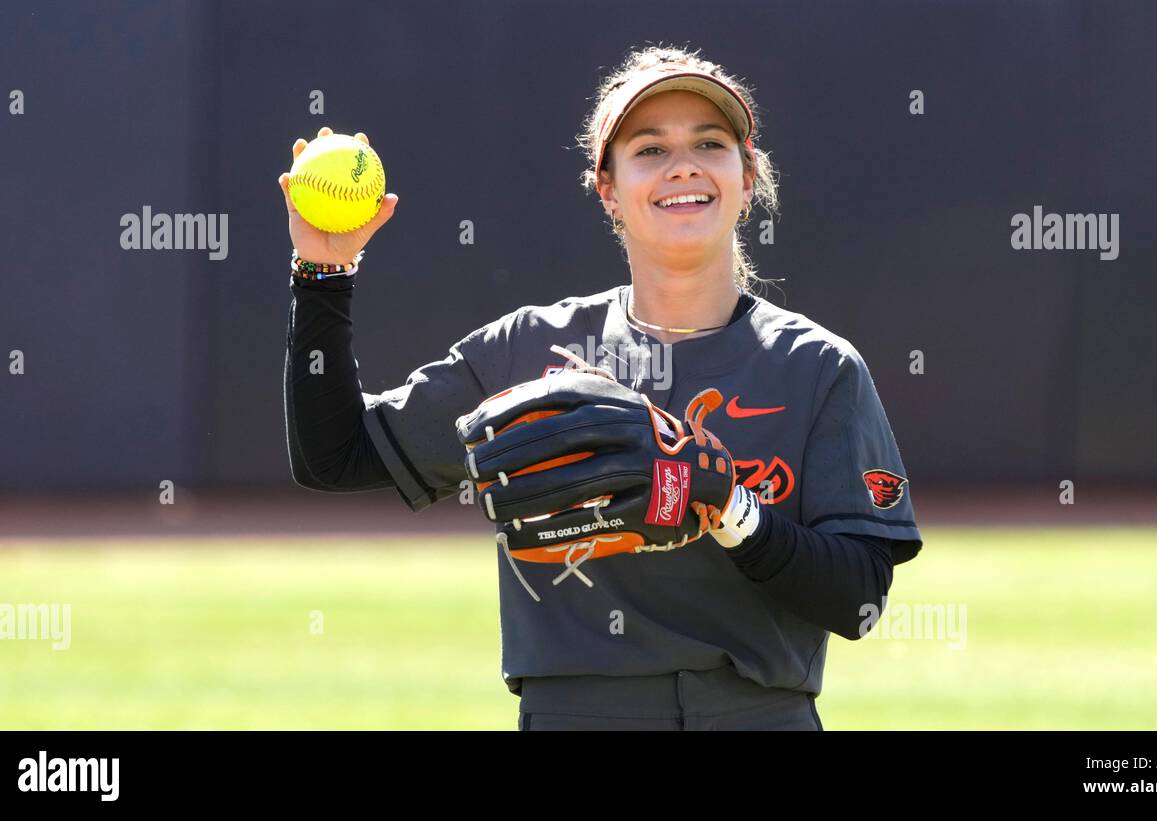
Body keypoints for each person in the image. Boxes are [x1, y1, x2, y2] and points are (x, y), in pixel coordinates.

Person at [279, 45, 922, 731]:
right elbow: (335, 456)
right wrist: (323, 276)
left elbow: (858, 598)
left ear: (748, 172)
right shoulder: (526, 348)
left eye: (710, 142)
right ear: (608, 186)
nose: (683, 164)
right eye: (649, 148)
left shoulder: (817, 367)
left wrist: (733, 507)